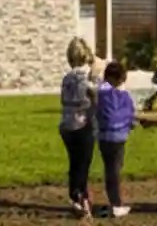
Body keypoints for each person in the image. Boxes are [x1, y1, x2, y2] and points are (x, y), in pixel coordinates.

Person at [59, 37, 98, 217]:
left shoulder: (67, 78)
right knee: (83, 164)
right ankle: (80, 198)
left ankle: (76, 196)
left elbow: (63, 100)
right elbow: (95, 97)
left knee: (74, 163)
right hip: (82, 124)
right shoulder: (88, 77)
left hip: (66, 125)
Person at [96, 61, 136, 218]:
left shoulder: (99, 92)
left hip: (104, 137)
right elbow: (130, 115)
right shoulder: (123, 95)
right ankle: (116, 204)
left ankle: (114, 200)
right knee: (115, 170)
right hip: (118, 137)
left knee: (111, 169)